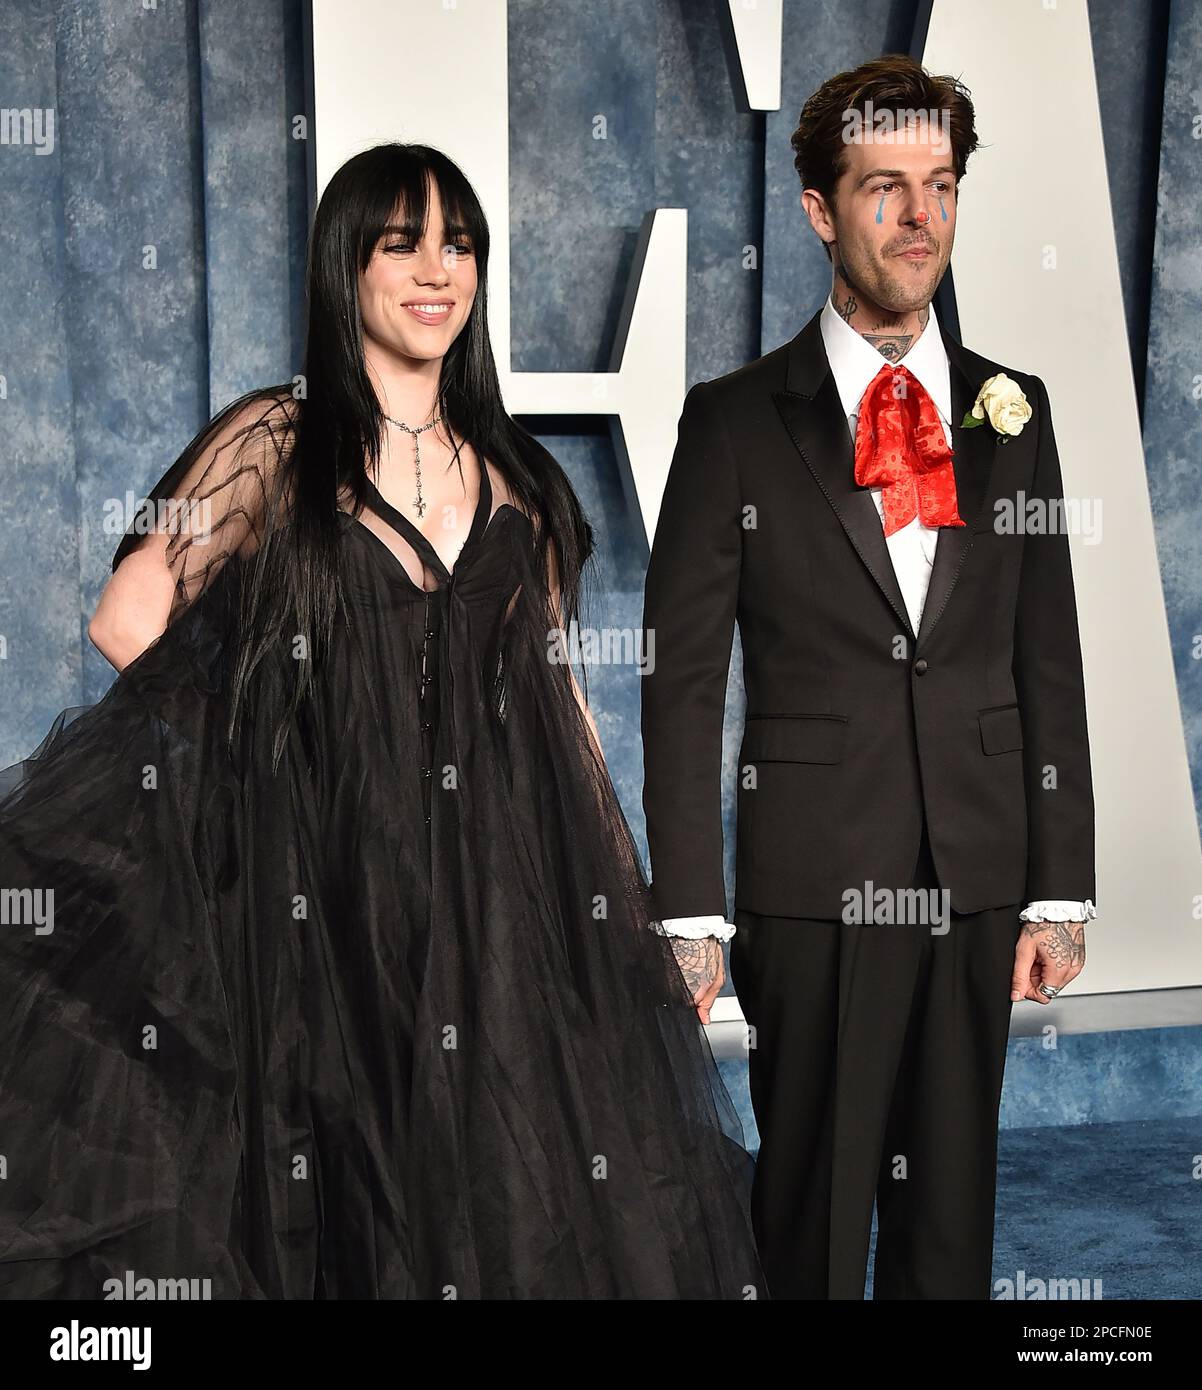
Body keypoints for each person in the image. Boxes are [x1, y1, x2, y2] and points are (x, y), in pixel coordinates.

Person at [0, 142, 765, 1300]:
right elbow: (129, 616)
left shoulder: (517, 476)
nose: (434, 268)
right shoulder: (276, 438)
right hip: (324, 887)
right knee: (326, 1160)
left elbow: (555, 695)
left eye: (457, 244)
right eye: (400, 241)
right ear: (344, 264)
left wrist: (628, 899)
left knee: (508, 1162)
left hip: (494, 889)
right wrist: (262, 781)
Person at [641, 55, 1096, 1299]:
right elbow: (681, 680)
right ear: (816, 208)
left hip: (979, 871)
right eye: (883, 187)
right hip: (810, 878)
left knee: (949, 1228)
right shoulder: (732, 420)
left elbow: (1043, 650)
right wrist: (689, 909)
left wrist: (1058, 885)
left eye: (939, 186)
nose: (917, 218)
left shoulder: (1016, 410)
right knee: (813, 1223)